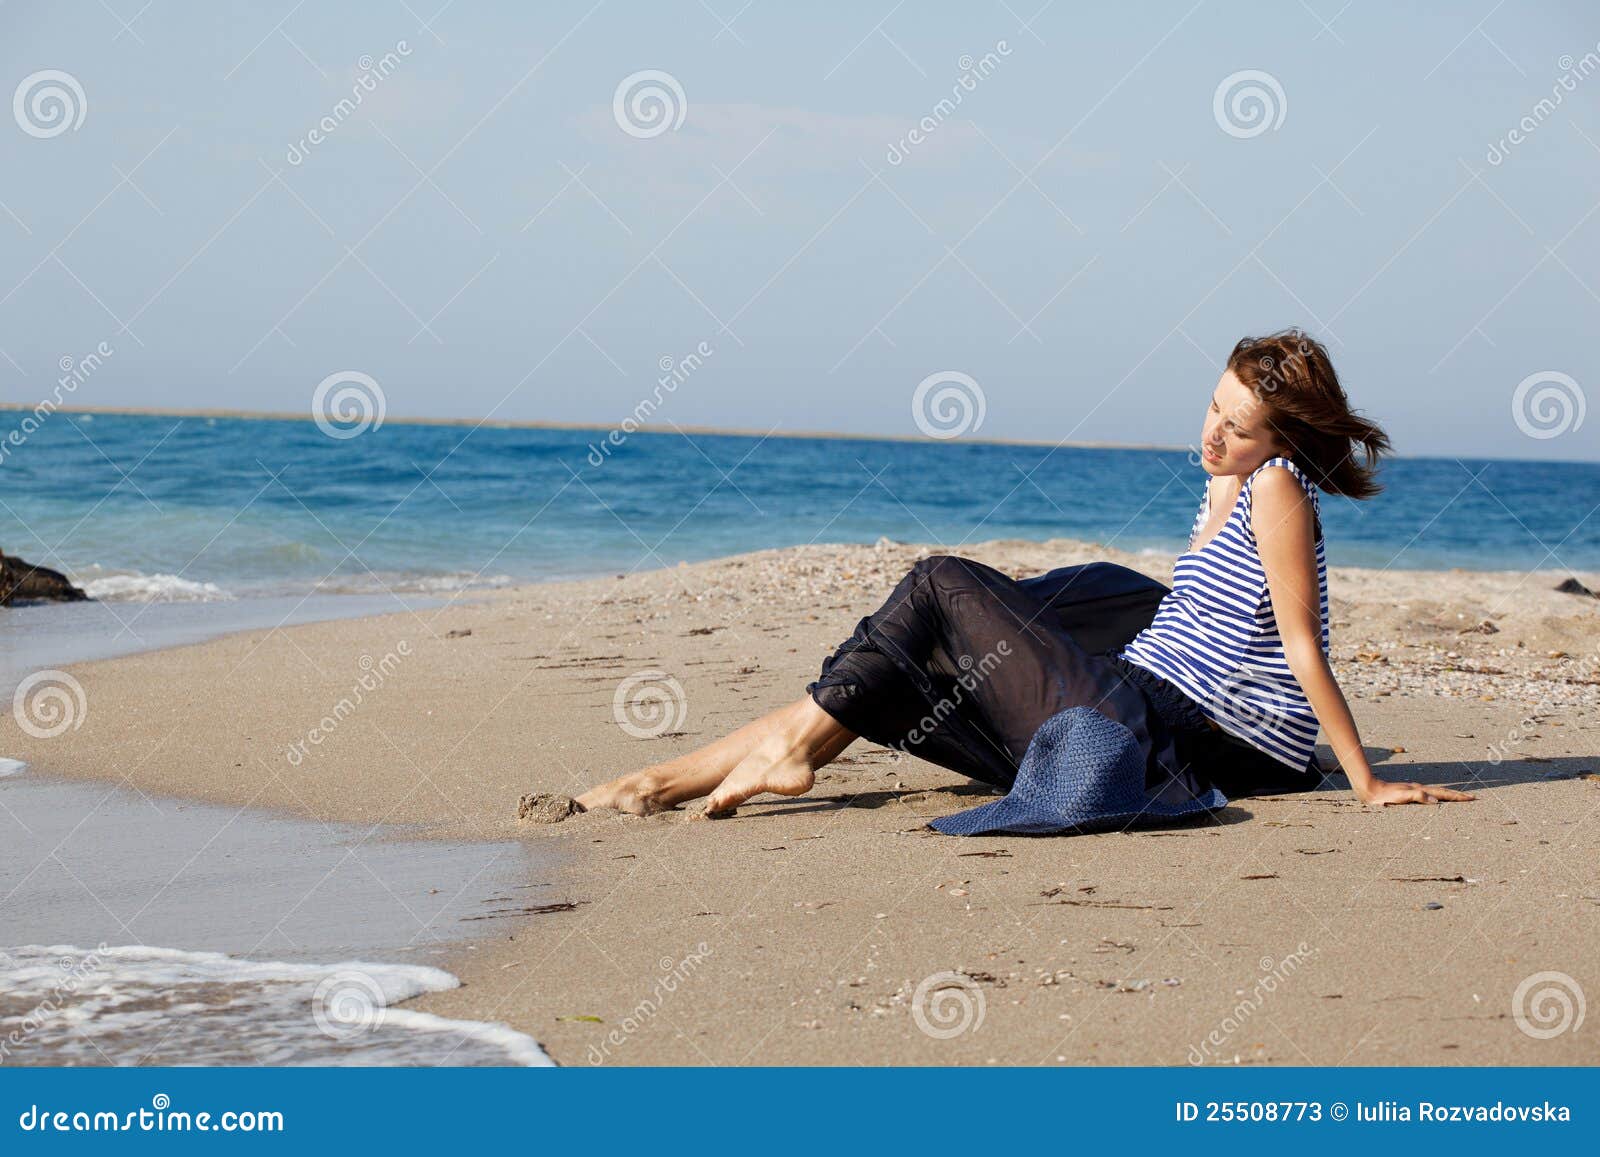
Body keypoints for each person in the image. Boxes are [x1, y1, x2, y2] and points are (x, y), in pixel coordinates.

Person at [576, 329, 1475, 822]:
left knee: (937, 581)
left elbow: (1302, 645)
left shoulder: (1275, 486)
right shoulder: (1223, 484)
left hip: (1190, 734)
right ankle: (669, 781)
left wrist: (1363, 779)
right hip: (1151, 703)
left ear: (1282, 440)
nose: (1213, 433)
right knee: (911, 662)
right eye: (1213, 405)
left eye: (1237, 427)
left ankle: (747, 762)